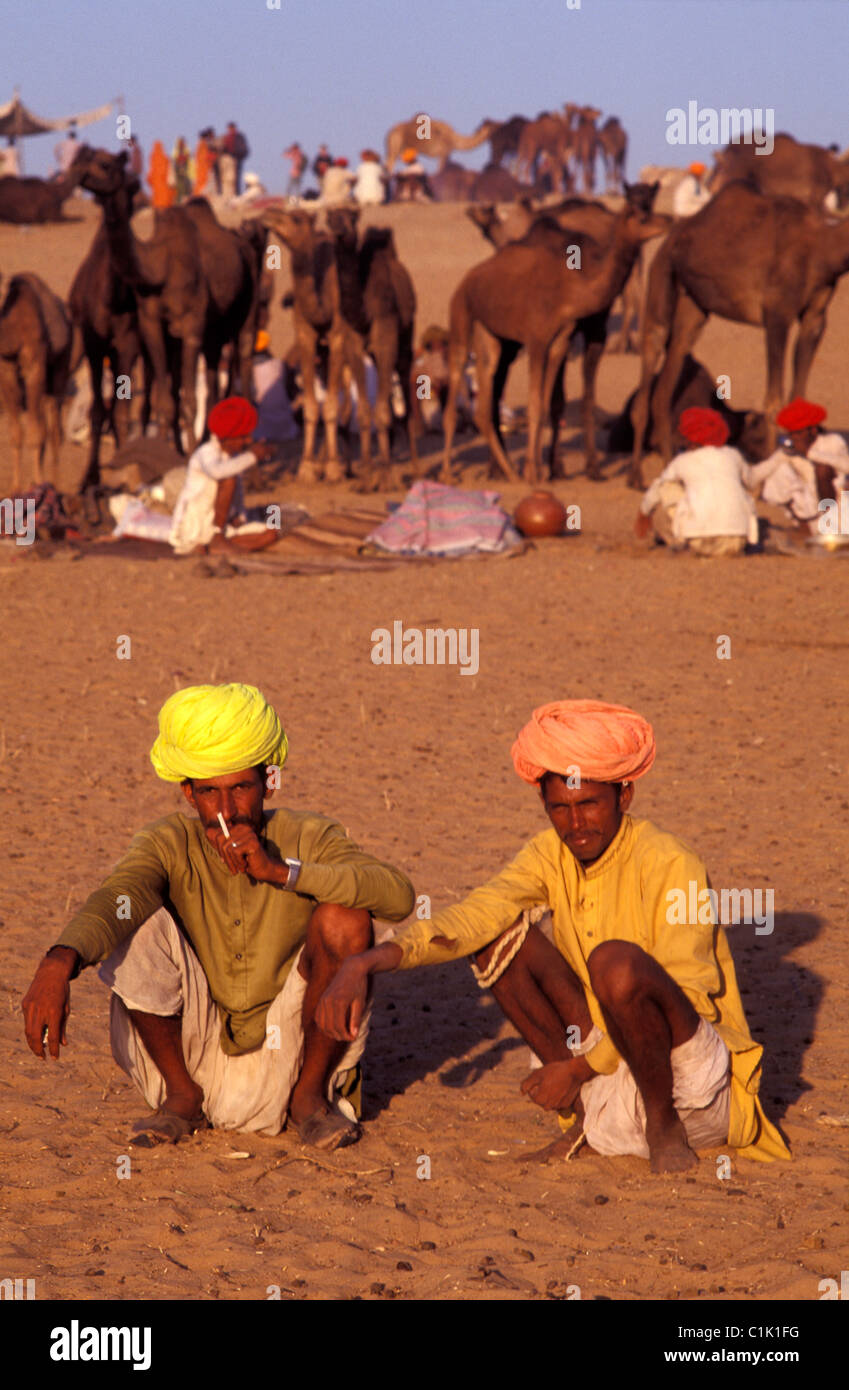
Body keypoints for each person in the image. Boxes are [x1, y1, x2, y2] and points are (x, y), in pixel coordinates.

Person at [317, 699, 790, 1173]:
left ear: (624, 797)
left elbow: (692, 996)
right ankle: (586, 1119)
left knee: (614, 964)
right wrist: (365, 962)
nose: (575, 824)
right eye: (559, 809)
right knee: (496, 937)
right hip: (612, 1070)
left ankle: (663, 1130)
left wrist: (580, 1067)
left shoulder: (670, 862)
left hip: (691, 1086)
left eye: (589, 804)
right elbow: (474, 916)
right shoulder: (549, 854)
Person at [22, 683, 415, 1151]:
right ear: (188, 793)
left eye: (241, 788)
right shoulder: (167, 842)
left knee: (345, 917)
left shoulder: (308, 835)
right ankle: (181, 1097)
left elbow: (397, 895)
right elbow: (118, 897)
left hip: (293, 1049)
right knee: (138, 921)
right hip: (194, 1051)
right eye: (209, 792)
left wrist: (283, 872)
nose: (226, 810)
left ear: (268, 782)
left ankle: (310, 1100)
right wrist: (59, 962)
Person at [635, 407, 758, 556]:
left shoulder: (682, 461)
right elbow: (752, 482)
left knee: (667, 486)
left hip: (699, 543)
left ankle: (680, 539)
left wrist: (643, 513)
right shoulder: (733, 455)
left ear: (690, 440)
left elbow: (658, 487)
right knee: (738, 488)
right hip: (736, 542)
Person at [168, 396, 279, 555]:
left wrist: (240, 516)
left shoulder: (232, 458)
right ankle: (215, 539)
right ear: (229, 437)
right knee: (228, 479)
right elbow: (219, 472)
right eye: (244, 437)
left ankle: (215, 546)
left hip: (221, 525)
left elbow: (237, 493)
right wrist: (252, 456)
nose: (248, 441)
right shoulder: (206, 453)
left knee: (271, 533)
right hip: (194, 525)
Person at [746, 398, 849, 536]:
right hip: (808, 511)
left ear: (813, 430)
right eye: (791, 433)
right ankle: (803, 526)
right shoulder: (789, 451)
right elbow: (756, 474)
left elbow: (846, 466)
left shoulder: (832, 442)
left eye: (799, 433)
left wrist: (810, 453)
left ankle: (831, 525)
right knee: (779, 470)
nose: (794, 437)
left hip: (838, 509)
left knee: (822, 470)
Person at [221, 121, 249, 196]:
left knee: (236, 177)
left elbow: (243, 148)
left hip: (236, 158)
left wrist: (237, 156)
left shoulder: (239, 137)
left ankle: (237, 194)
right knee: (230, 178)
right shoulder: (227, 137)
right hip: (230, 159)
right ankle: (233, 194)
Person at [147, 140, 175, 209]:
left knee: (157, 206)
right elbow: (171, 175)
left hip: (156, 189)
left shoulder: (152, 159)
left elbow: (149, 177)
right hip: (165, 189)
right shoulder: (166, 159)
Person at [171, 137, 194, 202]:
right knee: (180, 191)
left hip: (186, 173)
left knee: (187, 189)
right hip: (179, 175)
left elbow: (188, 160)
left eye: (183, 143)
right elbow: (175, 161)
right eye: (180, 143)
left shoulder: (186, 151)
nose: (182, 144)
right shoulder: (176, 152)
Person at [193, 130, 213, 196]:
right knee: (203, 183)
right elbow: (205, 157)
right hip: (203, 168)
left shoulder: (200, 145)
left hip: (201, 168)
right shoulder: (203, 145)